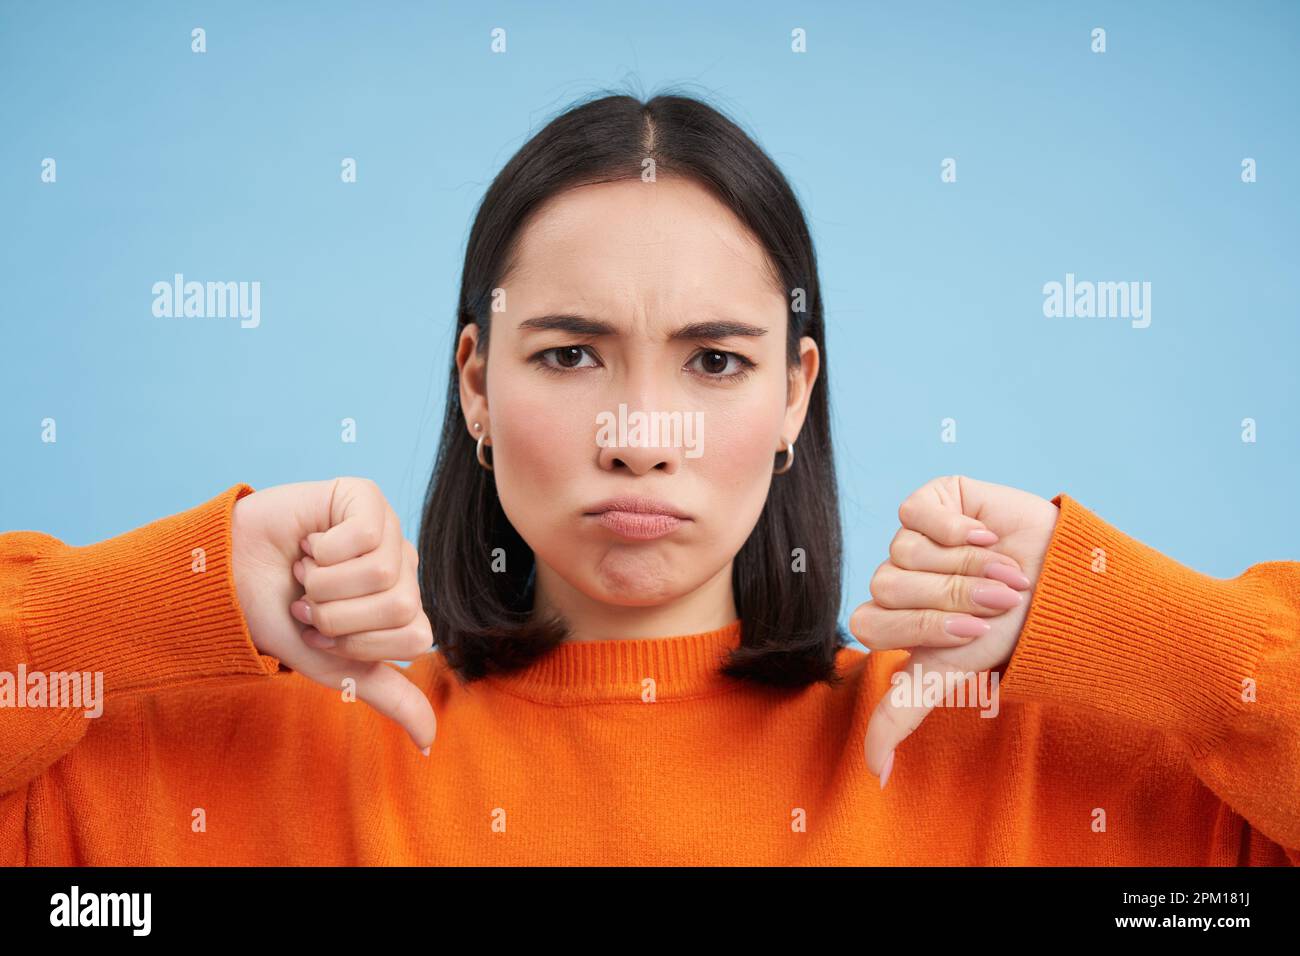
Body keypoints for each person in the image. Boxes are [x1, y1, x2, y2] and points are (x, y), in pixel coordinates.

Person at [2, 92, 1296, 866]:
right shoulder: (250, 767)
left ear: (796, 393)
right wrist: (177, 584)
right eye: (571, 352)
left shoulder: (1025, 771)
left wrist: (1120, 617)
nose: (638, 429)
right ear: (475, 384)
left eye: (715, 361)